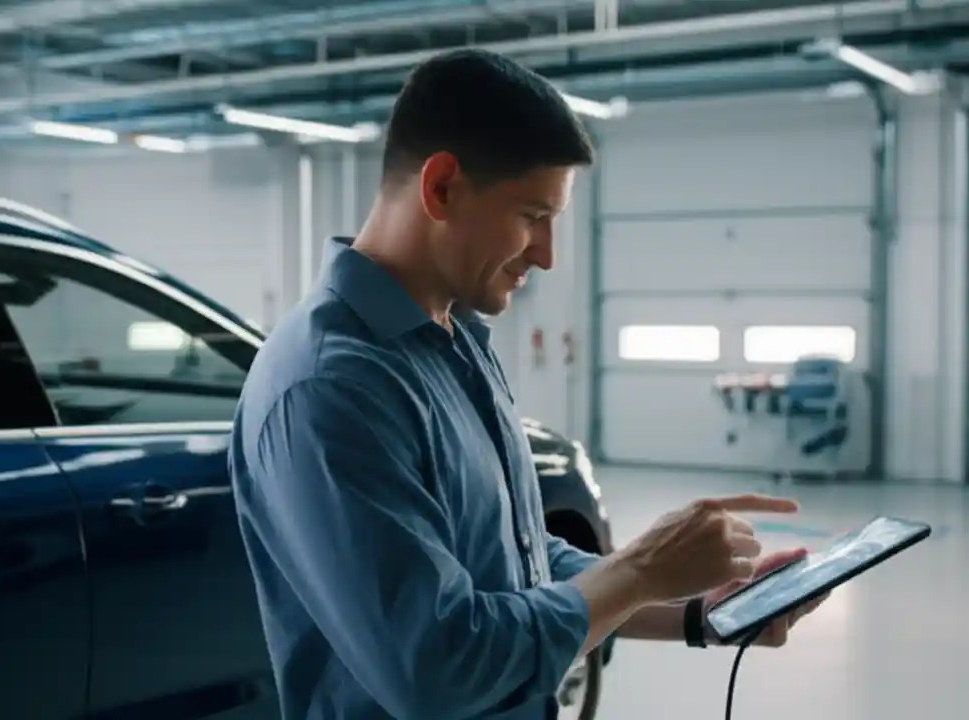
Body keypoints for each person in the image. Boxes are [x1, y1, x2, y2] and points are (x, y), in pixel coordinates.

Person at [229, 48, 828, 720]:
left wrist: (696, 611)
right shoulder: (328, 387)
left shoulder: (452, 346)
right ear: (442, 187)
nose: (547, 254)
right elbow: (438, 667)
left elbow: (517, 565)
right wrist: (638, 571)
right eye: (532, 216)